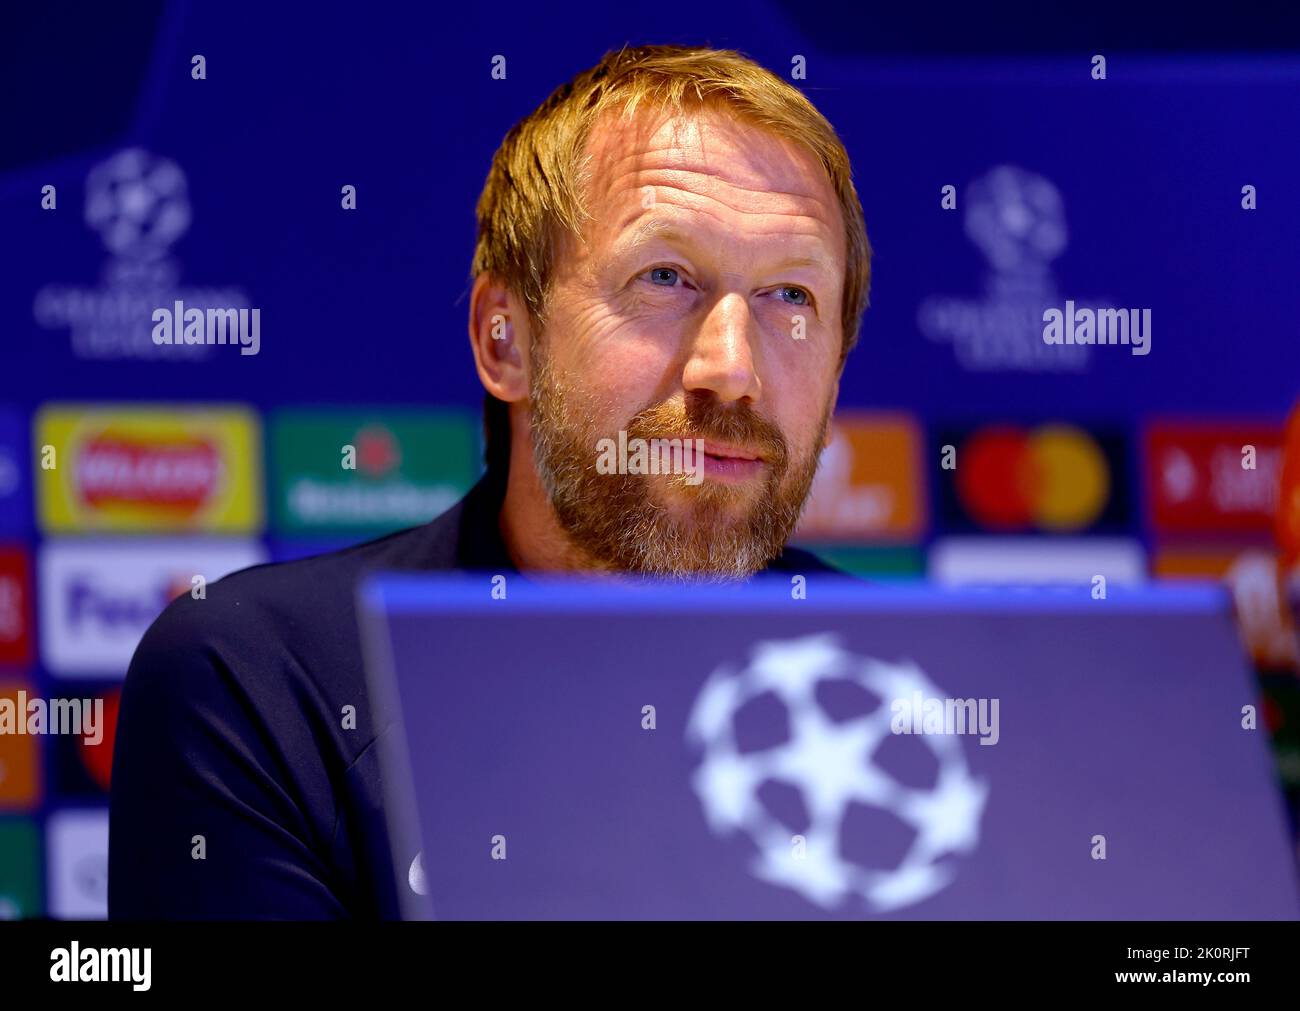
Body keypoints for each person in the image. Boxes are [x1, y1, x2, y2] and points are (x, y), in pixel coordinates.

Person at [108, 44, 873, 918]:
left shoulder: (923, 693)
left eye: (791, 297)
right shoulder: (263, 681)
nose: (732, 367)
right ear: (504, 338)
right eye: (665, 277)